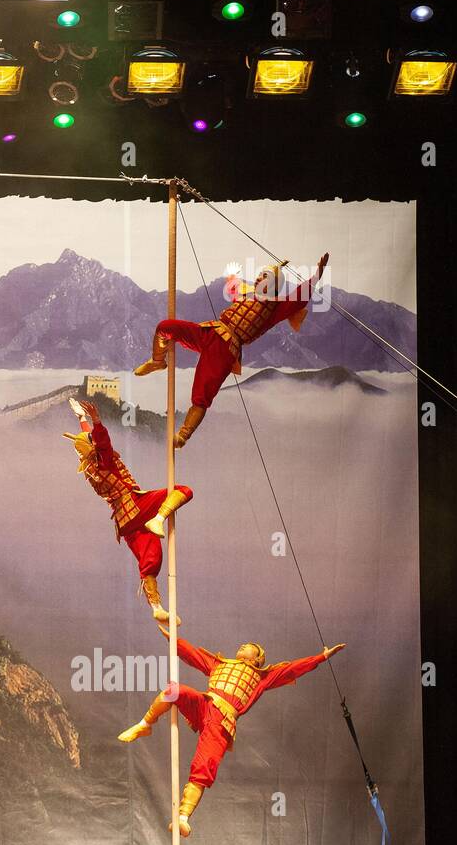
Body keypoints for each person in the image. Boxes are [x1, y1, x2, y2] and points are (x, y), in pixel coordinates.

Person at [118, 622, 345, 838]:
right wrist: (174, 640)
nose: (241, 647)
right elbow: (195, 656)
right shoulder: (220, 664)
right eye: (242, 645)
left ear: (257, 658)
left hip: (223, 720)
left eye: (247, 647)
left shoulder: (262, 677)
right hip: (205, 704)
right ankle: (145, 724)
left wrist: (321, 657)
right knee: (174, 690)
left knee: (205, 763)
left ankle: (183, 817)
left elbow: (292, 669)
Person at [133, 253, 329, 447]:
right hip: (211, 330)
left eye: (266, 276)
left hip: (226, 349)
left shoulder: (276, 307)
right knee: (165, 327)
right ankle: (158, 361)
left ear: (275, 285)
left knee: (202, 395)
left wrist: (316, 275)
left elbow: (299, 297)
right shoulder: (249, 293)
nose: (260, 277)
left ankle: (184, 434)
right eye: (260, 274)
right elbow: (235, 291)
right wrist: (232, 277)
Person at [63, 398, 191, 621]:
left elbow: (90, 442)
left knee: (149, 561)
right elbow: (101, 442)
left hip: (124, 522)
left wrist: (82, 419)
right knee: (183, 490)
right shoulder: (105, 461)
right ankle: (159, 518)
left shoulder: (91, 468)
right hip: (136, 505)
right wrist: (96, 420)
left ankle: (156, 606)